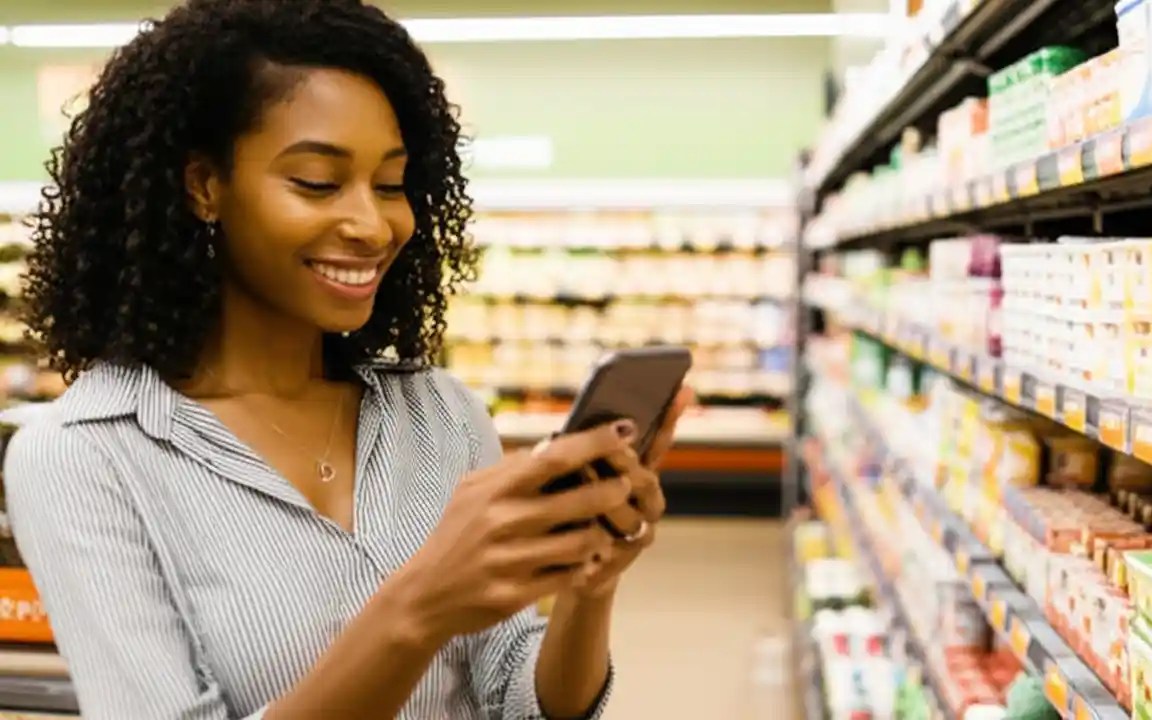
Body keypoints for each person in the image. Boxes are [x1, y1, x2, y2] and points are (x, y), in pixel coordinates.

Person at [5, 1, 692, 718]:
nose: (371, 225)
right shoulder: (84, 456)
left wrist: (588, 586)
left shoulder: (440, 415)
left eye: (391, 184)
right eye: (317, 183)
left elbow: (515, 697)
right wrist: (418, 608)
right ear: (205, 187)